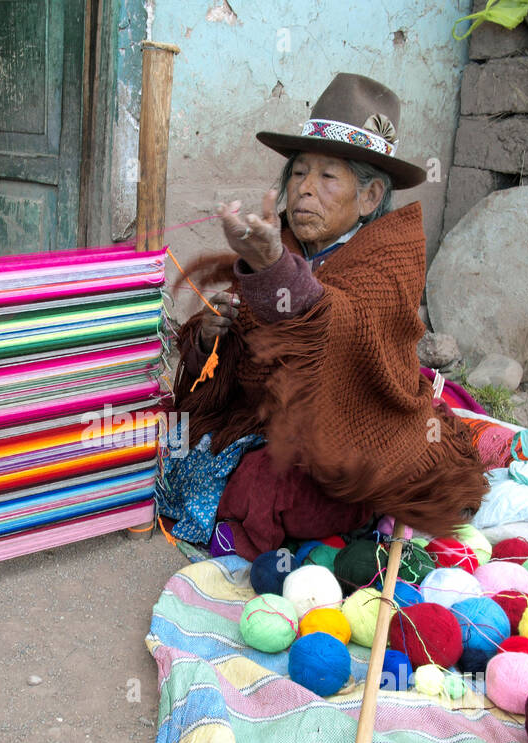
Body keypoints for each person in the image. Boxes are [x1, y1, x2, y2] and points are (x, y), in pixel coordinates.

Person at [157, 74, 488, 560]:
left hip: (352, 432)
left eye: (328, 177)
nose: (305, 190)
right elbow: (233, 355)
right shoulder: (282, 239)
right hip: (259, 420)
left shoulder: (391, 255)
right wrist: (210, 336)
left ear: (371, 197)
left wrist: (274, 271)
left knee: (272, 484)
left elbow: (341, 325)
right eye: (298, 173)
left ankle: (264, 521)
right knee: (165, 437)